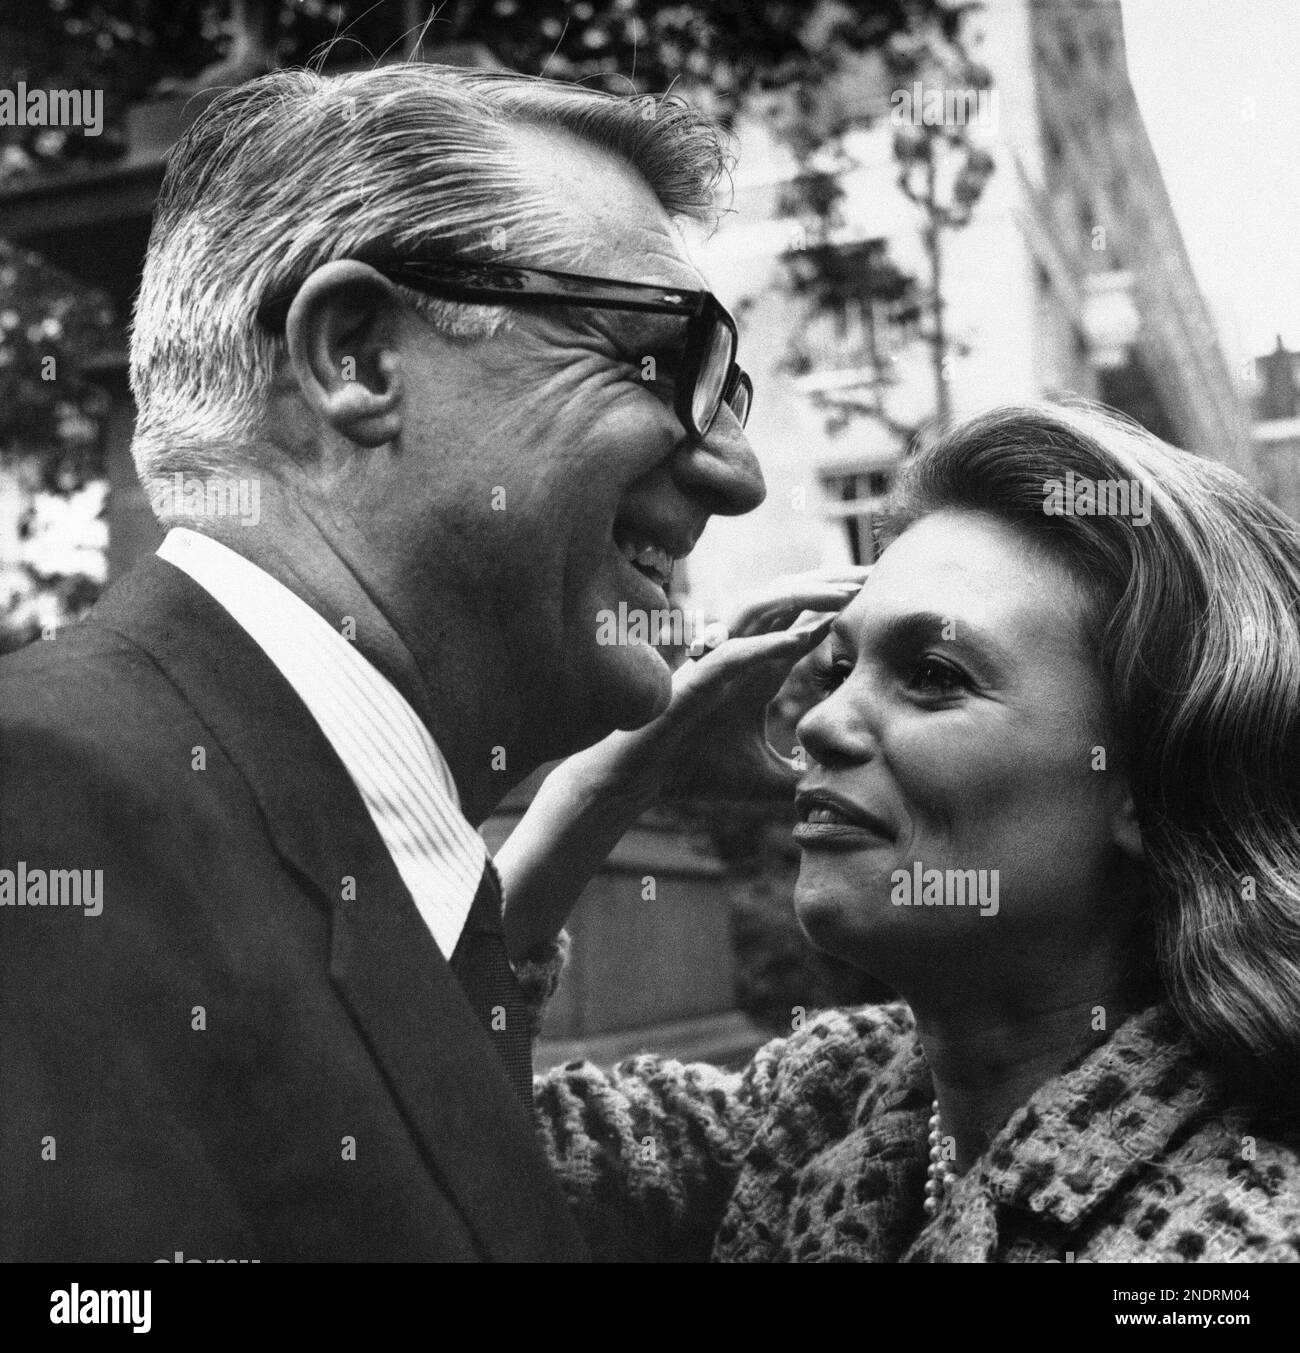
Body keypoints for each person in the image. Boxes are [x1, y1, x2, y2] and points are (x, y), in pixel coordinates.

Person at [0, 63, 841, 1262]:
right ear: (357, 358)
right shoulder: (43, 817)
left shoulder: (326, 859)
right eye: (661, 363)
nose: (737, 472)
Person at [502, 401, 1300, 1262]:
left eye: (931, 675)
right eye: (839, 667)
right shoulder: (821, 1108)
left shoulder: (1225, 1243)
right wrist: (605, 779)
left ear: (1149, 782)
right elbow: (416, 1148)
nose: (819, 722)